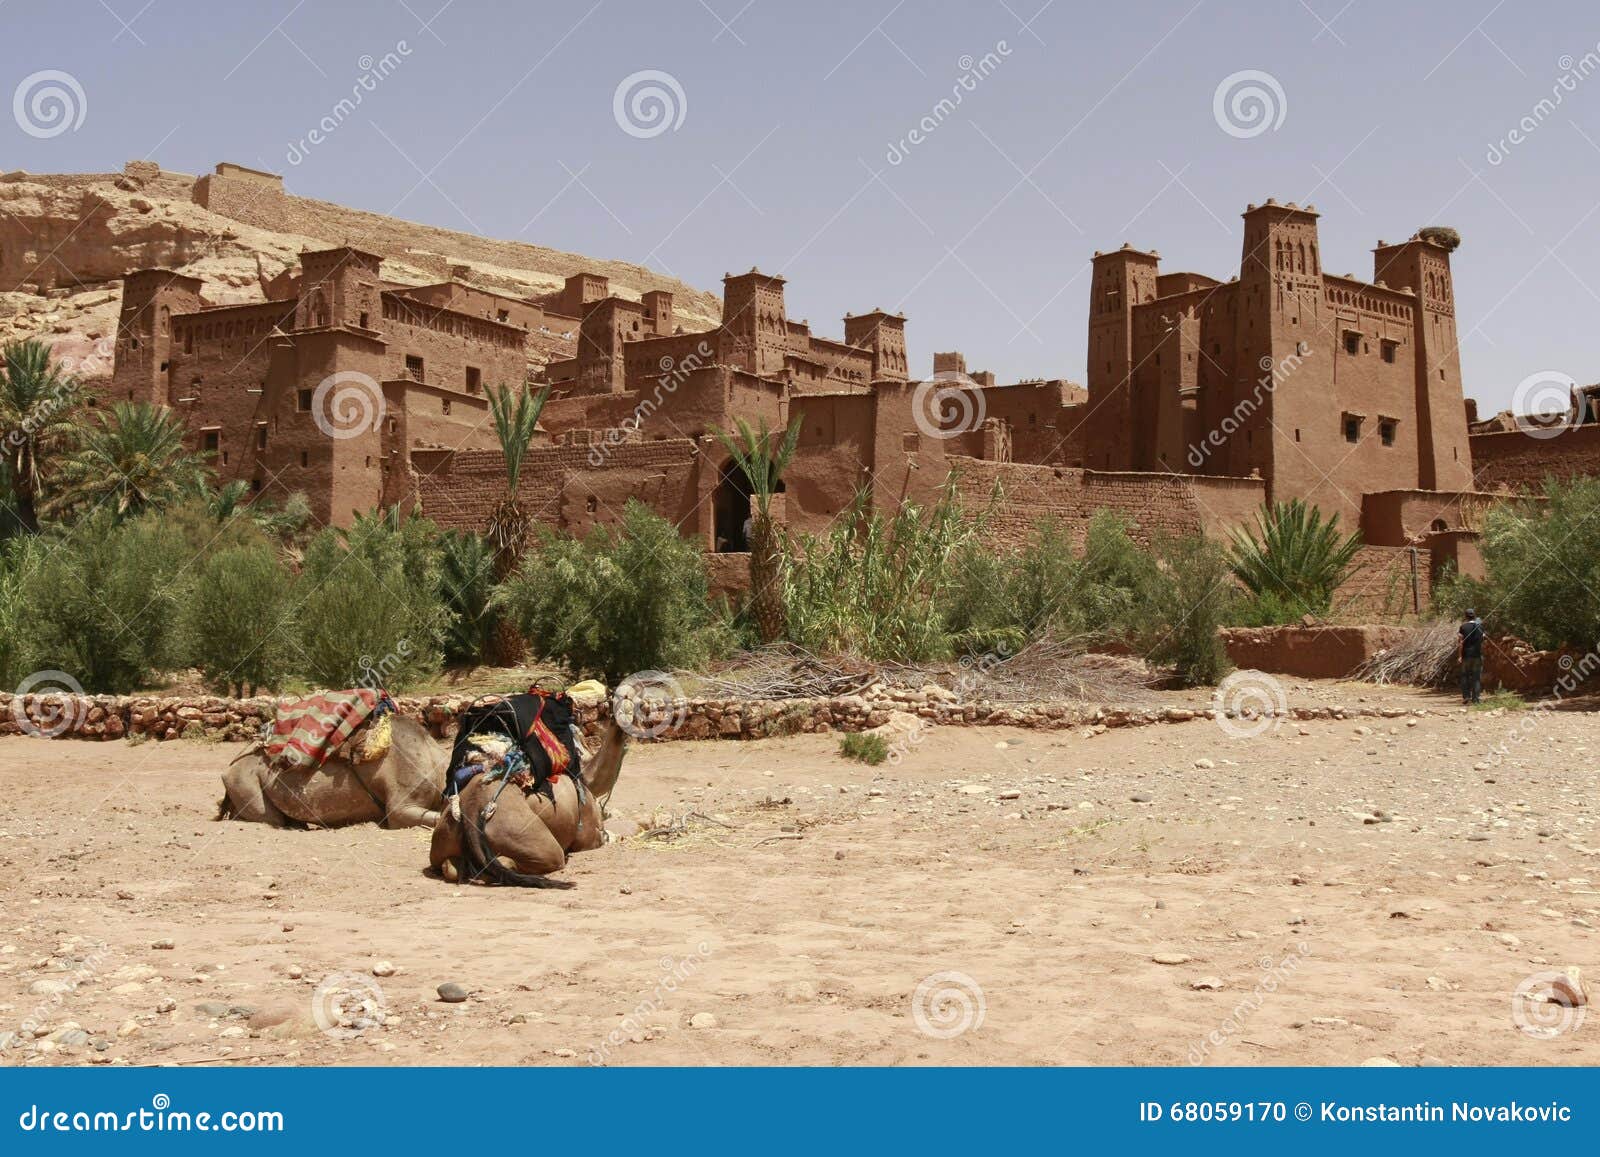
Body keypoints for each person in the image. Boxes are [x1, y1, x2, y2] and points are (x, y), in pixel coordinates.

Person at [1458, 609, 1484, 705]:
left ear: (1466, 616)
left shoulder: (1463, 627)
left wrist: (1460, 656)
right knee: (1476, 678)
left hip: (1466, 655)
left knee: (1465, 676)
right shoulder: (1480, 627)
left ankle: (1466, 697)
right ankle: (1476, 699)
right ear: (1474, 616)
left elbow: (1460, 643)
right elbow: (1482, 640)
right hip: (1477, 655)